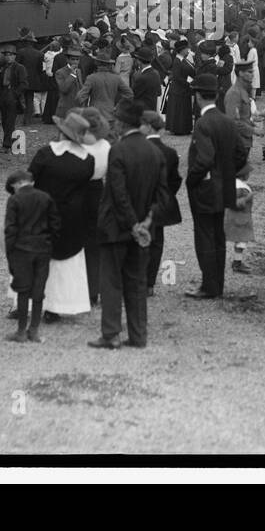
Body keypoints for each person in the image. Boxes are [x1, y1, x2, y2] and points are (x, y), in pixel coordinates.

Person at [90, 98, 166, 349]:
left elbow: (118, 194)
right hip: (143, 229)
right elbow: (162, 194)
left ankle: (111, 334)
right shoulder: (155, 150)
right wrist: (146, 221)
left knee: (111, 281)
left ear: (123, 122)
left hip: (117, 227)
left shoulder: (118, 150)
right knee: (137, 282)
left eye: (116, 121)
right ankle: (138, 335)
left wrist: (132, 224)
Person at [184, 73, 247, 300]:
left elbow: (204, 159)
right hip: (223, 187)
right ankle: (216, 285)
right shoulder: (226, 121)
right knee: (218, 236)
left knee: (205, 237)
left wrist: (191, 180)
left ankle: (208, 286)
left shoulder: (203, 123)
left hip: (205, 189)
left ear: (198, 97)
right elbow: (241, 153)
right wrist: (226, 173)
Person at [29, 111, 97, 319]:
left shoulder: (45, 154)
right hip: (72, 218)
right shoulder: (87, 161)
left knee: (37, 260)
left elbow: (29, 181)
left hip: (43, 214)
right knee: (66, 265)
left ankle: (31, 302)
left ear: (61, 132)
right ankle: (61, 305)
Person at [3, 169, 61, 343]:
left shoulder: (15, 200)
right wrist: (50, 243)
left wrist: (10, 251)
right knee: (38, 290)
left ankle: (21, 331)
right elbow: (55, 224)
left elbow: (11, 229)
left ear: (16, 184)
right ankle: (34, 330)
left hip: (22, 249)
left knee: (22, 289)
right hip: (42, 248)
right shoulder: (45, 197)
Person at [141, 110, 181, 295]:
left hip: (140, 201)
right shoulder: (170, 153)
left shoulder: (138, 149)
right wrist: (165, 195)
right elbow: (175, 180)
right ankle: (150, 282)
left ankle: (138, 279)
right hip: (160, 203)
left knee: (140, 240)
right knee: (157, 242)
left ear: (148, 127)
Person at [77, 107, 113, 306]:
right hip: (99, 191)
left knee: (78, 241)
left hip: (80, 190)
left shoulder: (79, 146)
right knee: (94, 244)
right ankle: (93, 290)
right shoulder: (105, 145)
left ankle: (80, 288)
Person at [77, 49, 133, 123]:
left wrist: (85, 109)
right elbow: (130, 94)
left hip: (94, 114)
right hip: (111, 113)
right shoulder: (116, 78)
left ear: (97, 63)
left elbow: (80, 96)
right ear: (109, 65)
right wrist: (118, 106)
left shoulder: (92, 78)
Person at [224, 163, 255, 275]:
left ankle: (237, 262)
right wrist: (247, 198)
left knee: (240, 241)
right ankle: (237, 263)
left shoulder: (233, 184)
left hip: (235, 217)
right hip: (240, 218)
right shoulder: (241, 187)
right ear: (243, 175)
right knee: (241, 241)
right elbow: (235, 203)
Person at [0, 43, 28, 152]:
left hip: (12, 95)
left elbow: (24, 84)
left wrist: (15, 94)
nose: (8, 57)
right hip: (4, 95)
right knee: (4, 120)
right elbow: (1, 83)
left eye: (10, 55)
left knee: (10, 121)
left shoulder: (20, 68)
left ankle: (6, 145)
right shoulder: (4, 68)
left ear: (14, 56)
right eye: (6, 55)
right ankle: (12, 142)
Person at [163, 39, 196, 135]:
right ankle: (179, 129)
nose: (188, 51)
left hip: (183, 89)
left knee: (183, 109)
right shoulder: (177, 61)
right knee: (179, 110)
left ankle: (185, 128)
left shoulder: (183, 60)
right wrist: (189, 84)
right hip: (178, 89)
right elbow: (177, 77)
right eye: (186, 49)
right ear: (182, 50)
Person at [18, 37, 44, 123]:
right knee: (30, 99)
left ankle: (21, 117)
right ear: (33, 43)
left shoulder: (20, 52)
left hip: (22, 79)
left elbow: (17, 66)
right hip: (33, 80)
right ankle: (27, 119)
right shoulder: (39, 54)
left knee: (20, 97)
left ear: (25, 42)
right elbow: (40, 69)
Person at [130, 46, 163, 113]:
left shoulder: (141, 77)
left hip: (142, 112)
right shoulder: (156, 73)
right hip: (152, 110)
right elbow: (159, 93)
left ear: (139, 61)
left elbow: (133, 96)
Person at [55, 47, 84, 120]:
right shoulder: (60, 72)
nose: (75, 62)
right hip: (66, 107)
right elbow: (63, 89)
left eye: (77, 59)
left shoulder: (79, 71)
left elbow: (80, 86)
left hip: (78, 106)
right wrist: (72, 75)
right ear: (67, 60)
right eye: (73, 59)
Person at [40, 38, 62, 123]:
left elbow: (43, 67)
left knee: (49, 97)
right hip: (59, 76)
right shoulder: (60, 56)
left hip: (49, 76)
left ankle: (47, 115)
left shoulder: (46, 55)